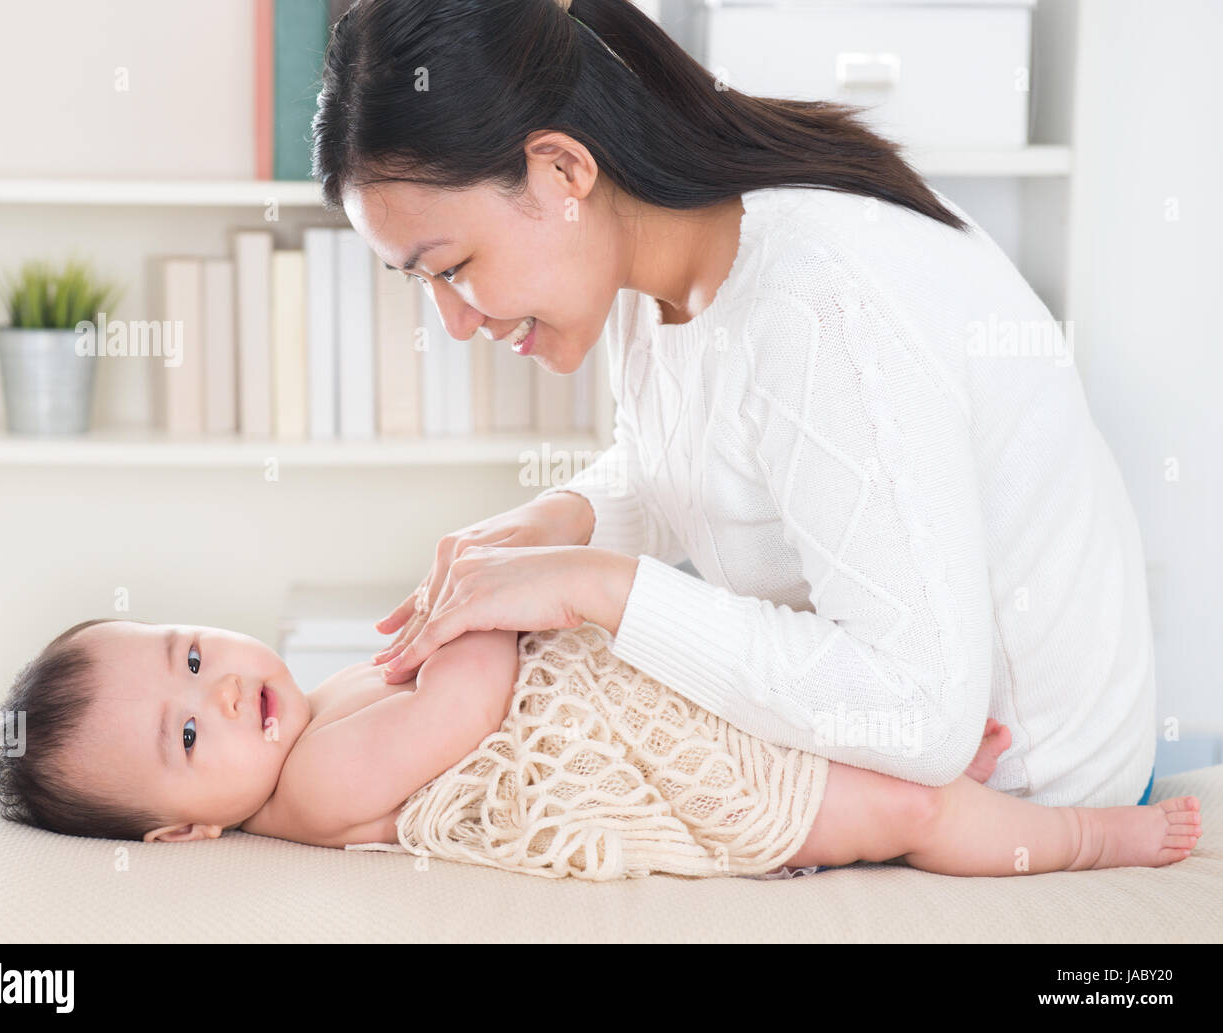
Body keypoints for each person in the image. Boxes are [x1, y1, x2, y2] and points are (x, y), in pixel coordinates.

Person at [312, 0, 1158, 811]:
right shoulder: (656, 265)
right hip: (911, 766)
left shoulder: (819, 305)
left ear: (564, 169)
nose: (454, 323)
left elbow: (923, 716)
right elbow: (719, 463)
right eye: (421, 283)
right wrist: (568, 519)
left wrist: (596, 585)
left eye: (452, 266)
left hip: (1026, 793)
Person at [0, 617, 1200, 879]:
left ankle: (935, 758)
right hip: (662, 777)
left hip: (640, 711)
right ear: (185, 828)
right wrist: (484, 609)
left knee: (799, 691)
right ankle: (1100, 835)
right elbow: (463, 712)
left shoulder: (304, 713)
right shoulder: (305, 789)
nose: (223, 686)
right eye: (186, 732)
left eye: (192, 652)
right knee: (899, 816)